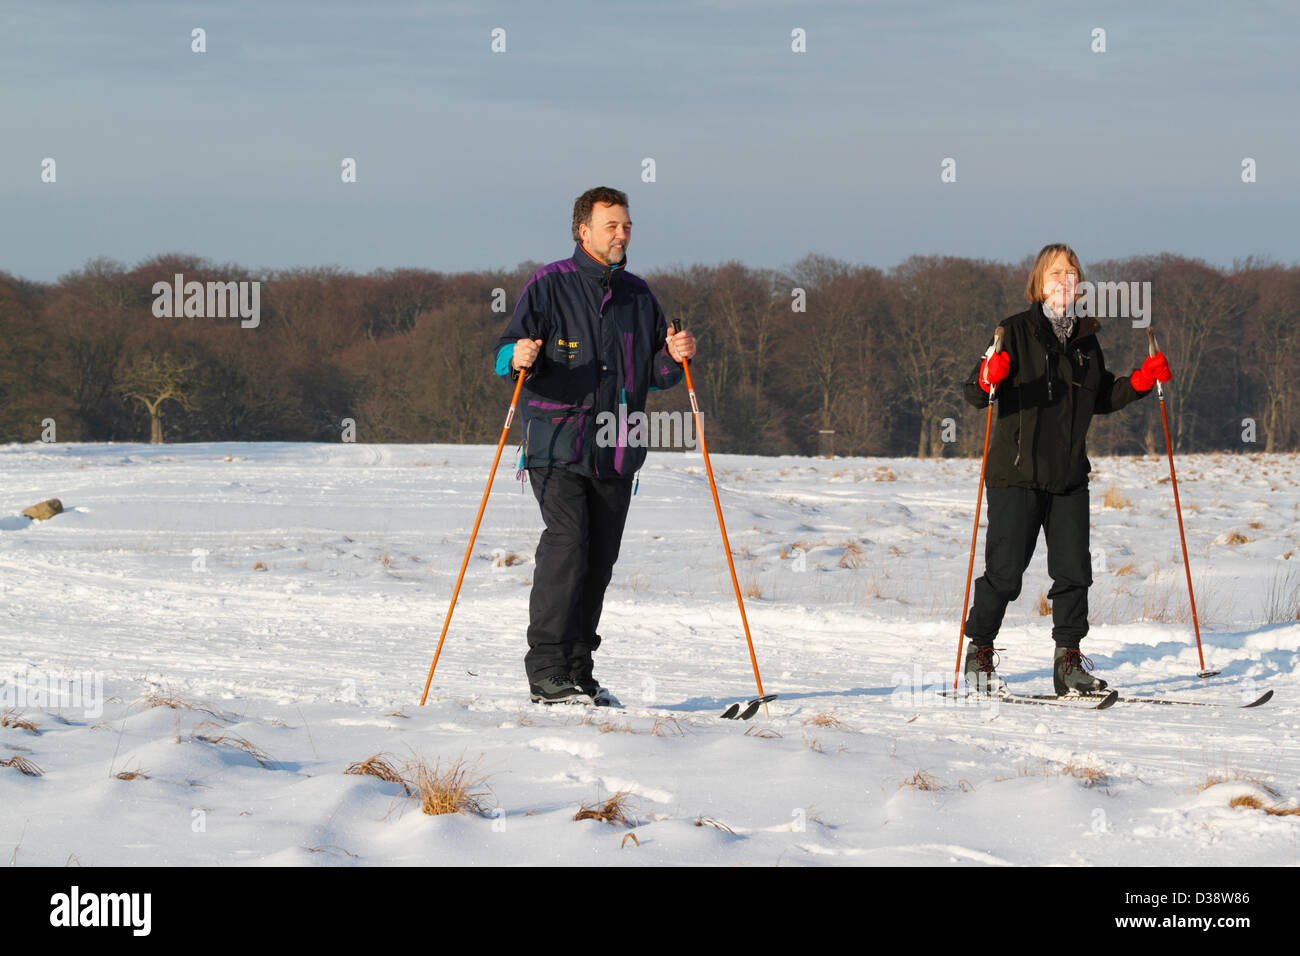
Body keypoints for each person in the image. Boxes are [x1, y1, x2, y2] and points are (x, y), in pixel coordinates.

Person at [493, 186, 696, 704]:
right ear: (584, 231)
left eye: (627, 225)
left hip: (619, 445)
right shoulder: (548, 285)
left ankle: (580, 670)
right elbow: (504, 356)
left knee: (600, 558)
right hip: (557, 442)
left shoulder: (638, 296)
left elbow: (655, 372)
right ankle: (547, 671)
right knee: (569, 545)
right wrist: (518, 355)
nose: (622, 234)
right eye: (612, 226)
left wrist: (674, 356)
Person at [961, 243, 1171, 696]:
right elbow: (976, 393)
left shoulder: (1085, 341)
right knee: (1005, 573)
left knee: (1074, 571)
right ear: (1039, 283)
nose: (1065, 281)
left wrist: (1137, 382)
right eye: (1056, 273)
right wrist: (987, 375)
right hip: (1016, 474)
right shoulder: (1013, 332)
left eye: (1072, 274)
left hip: (1070, 476)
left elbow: (1099, 399)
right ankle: (979, 652)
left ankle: (1068, 663)